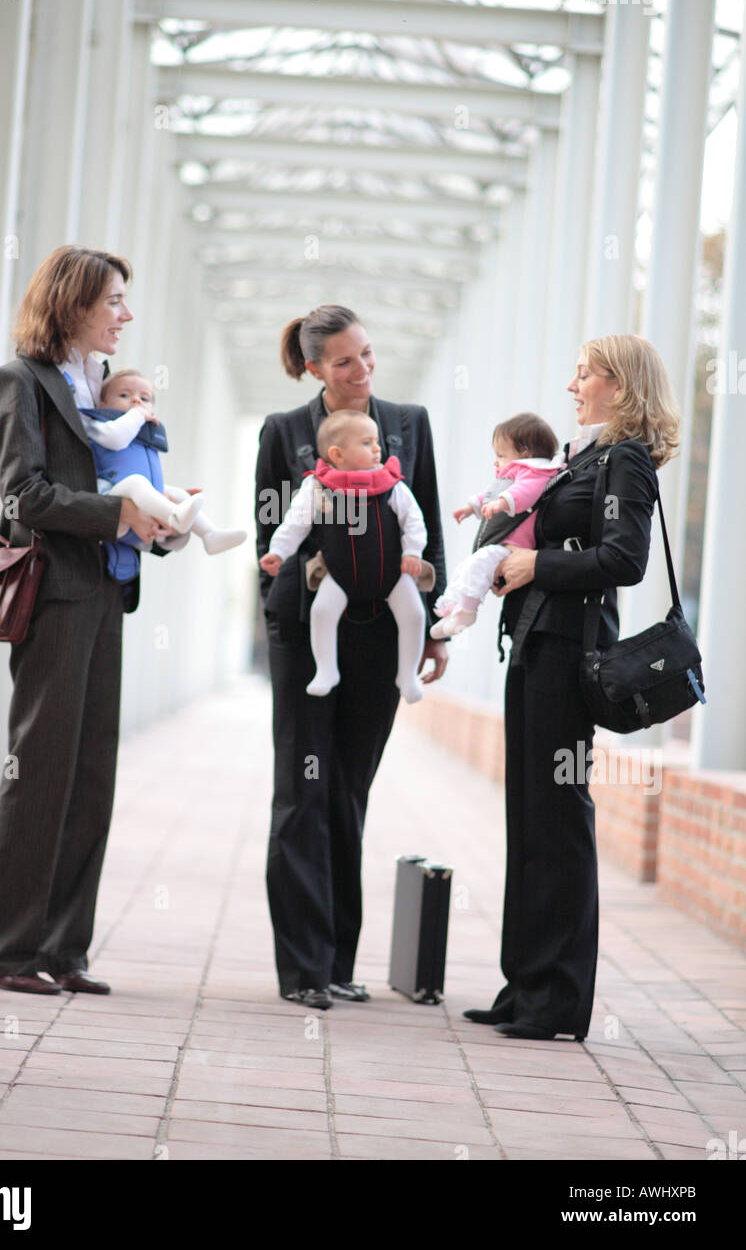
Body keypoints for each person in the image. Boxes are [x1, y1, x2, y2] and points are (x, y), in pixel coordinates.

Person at [0, 246, 176, 996]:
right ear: (73, 302)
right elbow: (26, 498)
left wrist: (163, 517)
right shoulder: (17, 382)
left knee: (89, 777)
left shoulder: (106, 390)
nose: (125, 314)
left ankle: (59, 946)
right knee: (39, 772)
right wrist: (116, 513)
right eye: (113, 299)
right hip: (53, 597)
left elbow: (121, 484)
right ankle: (3, 948)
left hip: (107, 597)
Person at [464, 335, 679, 1041]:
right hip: (533, 646)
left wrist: (538, 566)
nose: (571, 386)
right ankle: (523, 986)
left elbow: (624, 559)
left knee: (557, 819)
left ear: (619, 384)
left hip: (569, 655)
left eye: (583, 374)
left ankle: (556, 1000)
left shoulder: (627, 460)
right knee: (527, 816)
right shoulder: (583, 457)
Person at [255, 304, 449, 1010]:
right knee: (301, 791)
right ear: (314, 368)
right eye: (344, 362)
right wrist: (308, 571)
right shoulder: (284, 434)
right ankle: (303, 968)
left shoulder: (410, 424)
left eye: (367, 354)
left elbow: (425, 524)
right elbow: (271, 534)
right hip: (308, 637)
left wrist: (435, 630)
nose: (363, 370)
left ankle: (337, 960)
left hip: (381, 636)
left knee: (348, 792)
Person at [260, 409, 428, 702]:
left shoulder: (392, 486)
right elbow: (294, 523)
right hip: (339, 575)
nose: (377, 448)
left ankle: (408, 676)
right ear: (336, 454)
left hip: (391, 574)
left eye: (376, 441)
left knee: (414, 614)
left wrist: (413, 551)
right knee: (322, 612)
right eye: (366, 443)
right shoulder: (317, 487)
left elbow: (414, 521)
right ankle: (326, 670)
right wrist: (278, 552)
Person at [73, 367, 246, 572]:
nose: (136, 401)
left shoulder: (142, 434)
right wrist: (137, 415)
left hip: (142, 514)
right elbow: (116, 439)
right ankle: (174, 514)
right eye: (124, 395)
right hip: (109, 502)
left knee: (178, 493)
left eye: (144, 399)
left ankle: (210, 535)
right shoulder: (99, 426)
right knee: (137, 482)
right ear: (103, 404)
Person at [431, 412, 562, 639]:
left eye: (501, 455)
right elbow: (489, 494)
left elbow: (526, 492)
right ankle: (451, 607)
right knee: (466, 566)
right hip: (502, 542)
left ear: (525, 453)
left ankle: (467, 611)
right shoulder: (511, 475)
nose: (496, 461)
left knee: (479, 564)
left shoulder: (535, 472)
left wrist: (502, 503)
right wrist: (471, 507)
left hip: (514, 545)